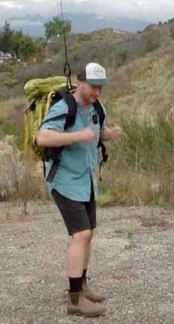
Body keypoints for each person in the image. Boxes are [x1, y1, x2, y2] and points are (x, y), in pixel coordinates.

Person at [35, 61, 123, 317]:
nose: (97, 91)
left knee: (89, 234)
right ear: (79, 82)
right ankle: (75, 299)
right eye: (93, 86)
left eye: (100, 87)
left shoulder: (97, 108)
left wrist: (109, 134)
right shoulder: (64, 107)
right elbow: (43, 137)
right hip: (64, 180)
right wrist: (76, 136)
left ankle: (82, 285)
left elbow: (97, 133)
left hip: (87, 181)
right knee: (81, 234)